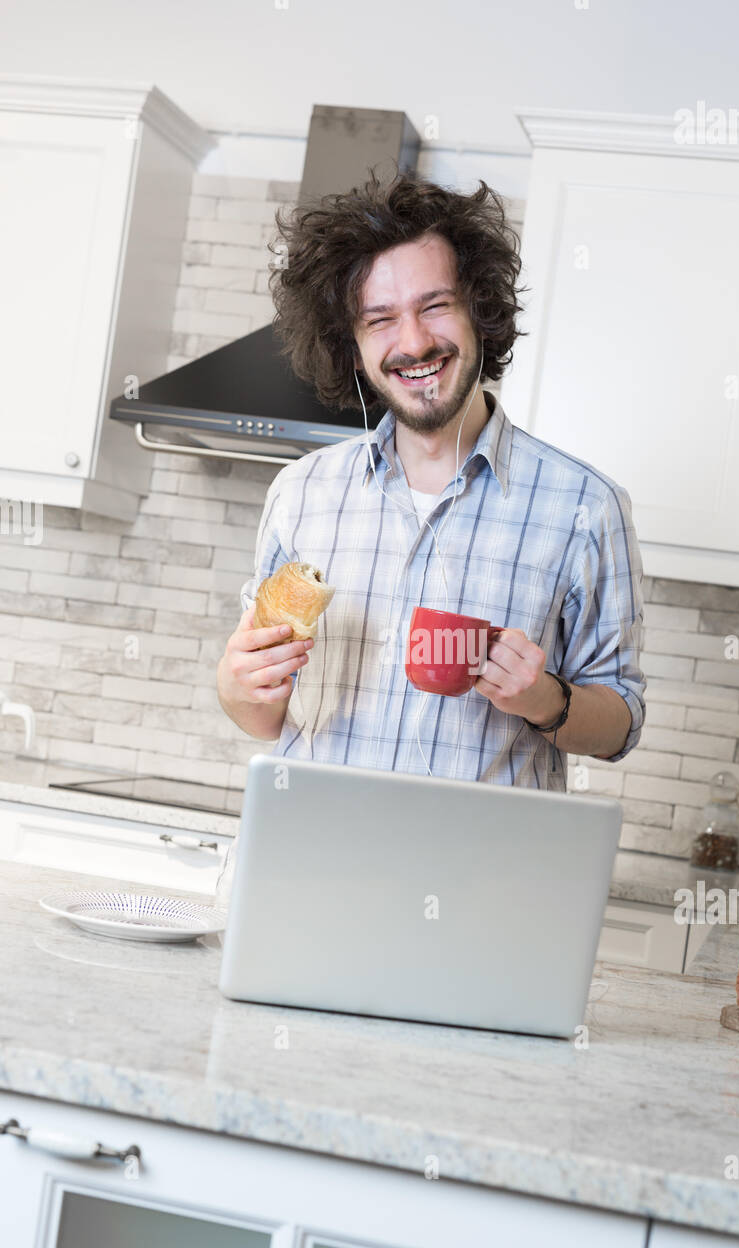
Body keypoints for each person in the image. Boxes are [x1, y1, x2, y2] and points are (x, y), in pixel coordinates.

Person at [217, 172, 646, 789]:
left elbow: (621, 723)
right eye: (380, 319)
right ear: (352, 345)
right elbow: (261, 717)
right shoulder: (301, 492)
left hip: (478, 873)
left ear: (481, 312)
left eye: (435, 305)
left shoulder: (586, 506)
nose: (414, 341)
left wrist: (544, 699)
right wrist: (237, 686)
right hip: (313, 860)